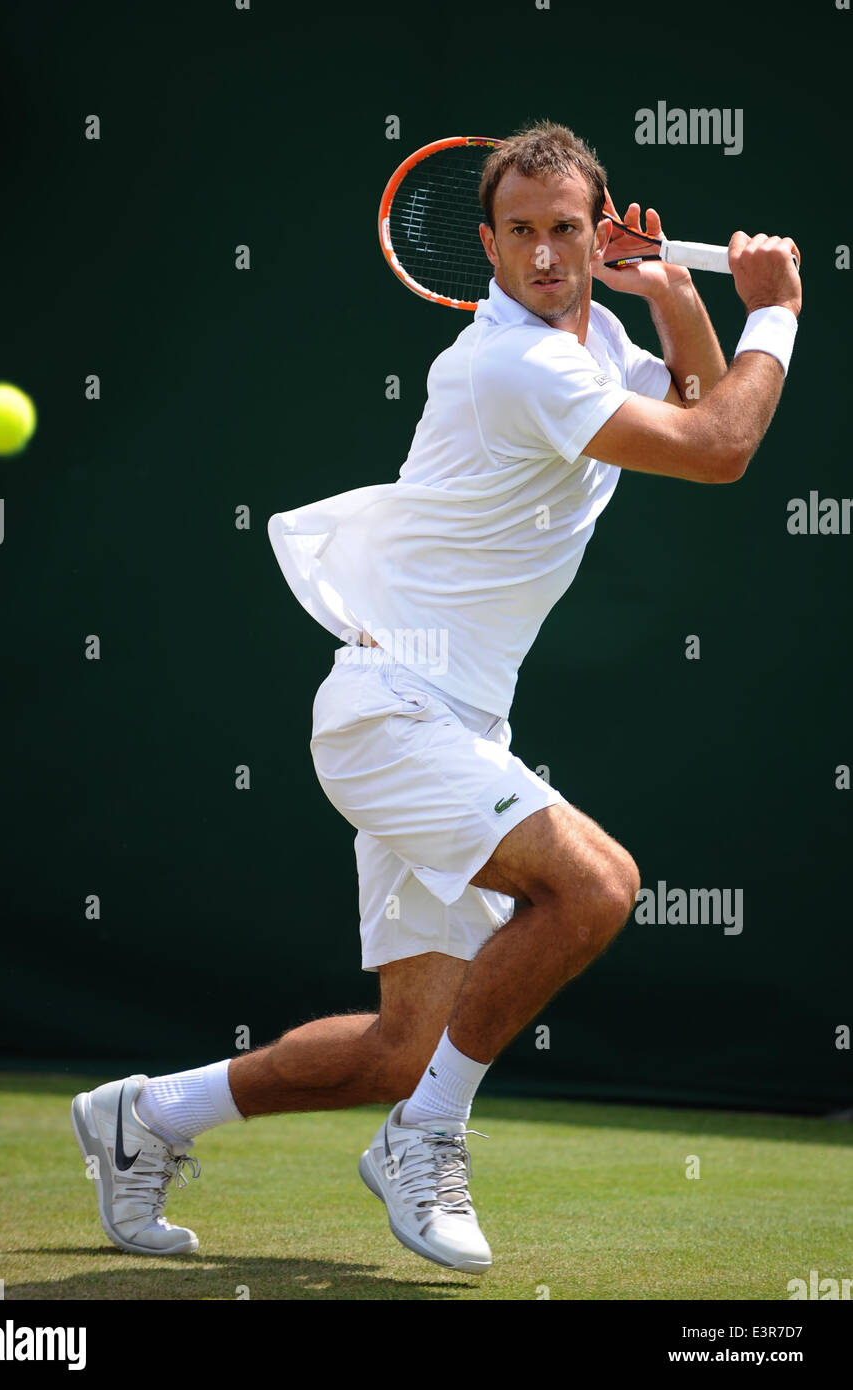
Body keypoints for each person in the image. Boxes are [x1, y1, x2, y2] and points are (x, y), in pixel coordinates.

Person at [71, 120, 801, 1274]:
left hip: (451, 720)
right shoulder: (511, 362)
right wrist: (780, 309)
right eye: (523, 233)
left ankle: (145, 1116)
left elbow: (701, 398)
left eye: (570, 228)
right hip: (389, 712)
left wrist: (669, 290)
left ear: (600, 226)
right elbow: (722, 446)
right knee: (597, 887)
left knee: (406, 1043)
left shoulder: (596, 337)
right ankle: (426, 1141)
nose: (550, 253)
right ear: (488, 247)